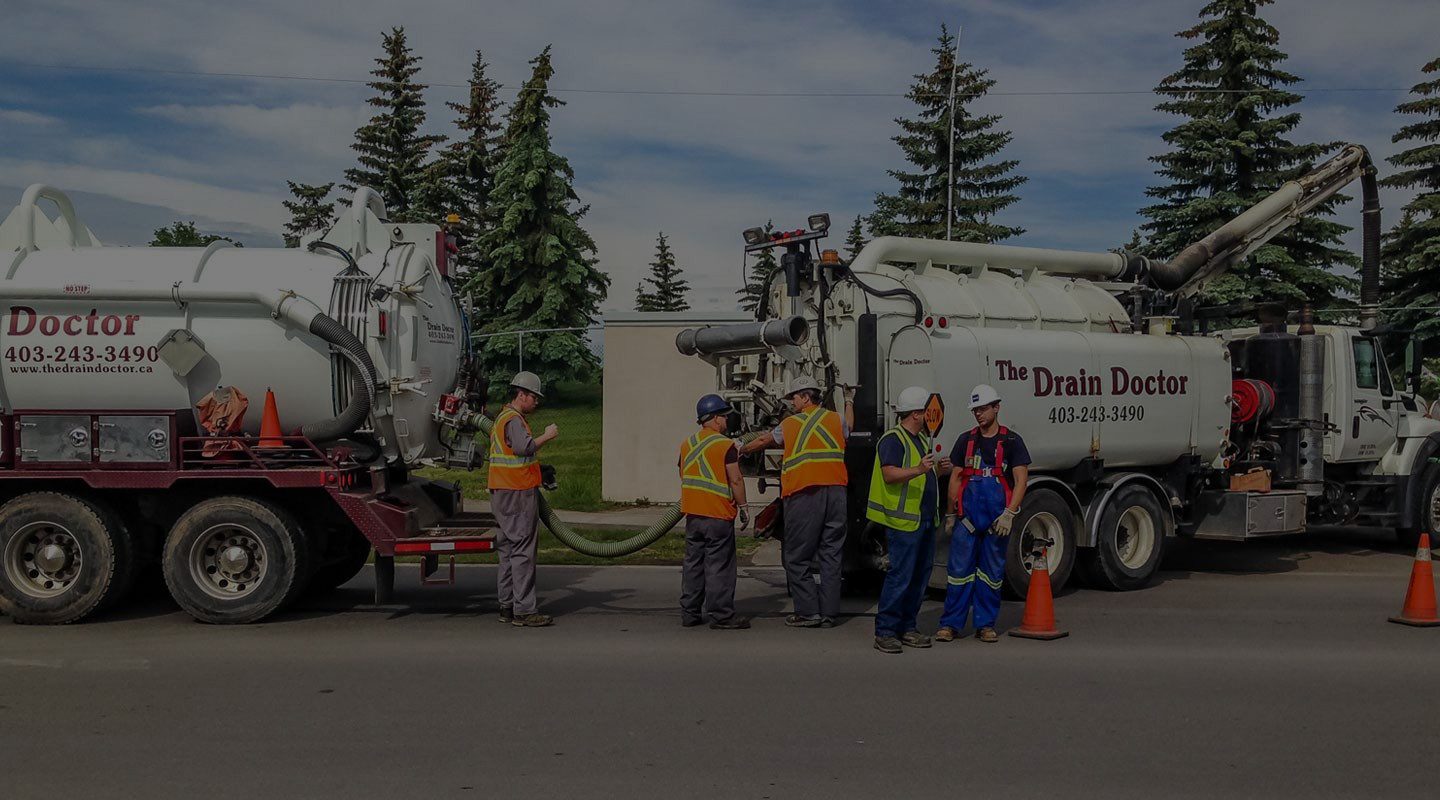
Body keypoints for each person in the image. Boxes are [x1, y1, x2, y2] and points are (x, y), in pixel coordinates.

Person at [738, 376, 853, 627]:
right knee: (831, 556)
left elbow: (764, 440)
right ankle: (829, 614)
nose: (792, 402)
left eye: (794, 397)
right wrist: (849, 401)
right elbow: (849, 428)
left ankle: (808, 612)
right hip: (836, 495)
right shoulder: (836, 419)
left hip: (805, 494)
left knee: (797, 557)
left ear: (806, 397)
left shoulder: (791, 423)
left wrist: (740, 449)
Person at [936, 384, 1031, 643]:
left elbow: (1021, 481)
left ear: (997, 407)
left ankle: (985, 625)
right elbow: (956, 478)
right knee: (958, 575)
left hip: (996, 522)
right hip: (966, 521)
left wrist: (1009, 513)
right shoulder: (966, 441)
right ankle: (950, 625)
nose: (978, 414)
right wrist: (950, 514)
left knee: (991, 575)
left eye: (983, 408)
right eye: (975, 410)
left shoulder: (1012, 442)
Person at [868, 386, 949, 654]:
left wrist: (936, 471)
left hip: (923, 520)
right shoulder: (893, 440)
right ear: (916, 413)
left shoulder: (920, 439)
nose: (930, 416)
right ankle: (886, 631)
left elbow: (920, 476)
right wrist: (919, 469)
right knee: (901, 577)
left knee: (919, 578)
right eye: (926, 411)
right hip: (904, 523)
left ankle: (907, 627)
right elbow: (890, 474)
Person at [489, 371, 559, 628]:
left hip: (502, 492)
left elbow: (515, 457)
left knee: (508, 551)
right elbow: (524, 448)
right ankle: (524, 611)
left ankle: (507, 607)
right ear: (522, 395)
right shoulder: (514, 420)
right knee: (523, 552)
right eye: (534, 397)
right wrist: (547, 435)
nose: (536, 402)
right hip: (517, 494)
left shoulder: (502, 418)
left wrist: (540, 471)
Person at [678, 394, 751, 630]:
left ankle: (690, 613)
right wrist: (743, 506)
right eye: (725, 417)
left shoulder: (687, 443)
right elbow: (735, 479)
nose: (727, 421)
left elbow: (683, 473)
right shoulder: (725, 445)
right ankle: (721, 615)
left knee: (693, 564)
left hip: (693, 514)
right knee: (719, 565)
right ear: (716, 418)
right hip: (717, 514)